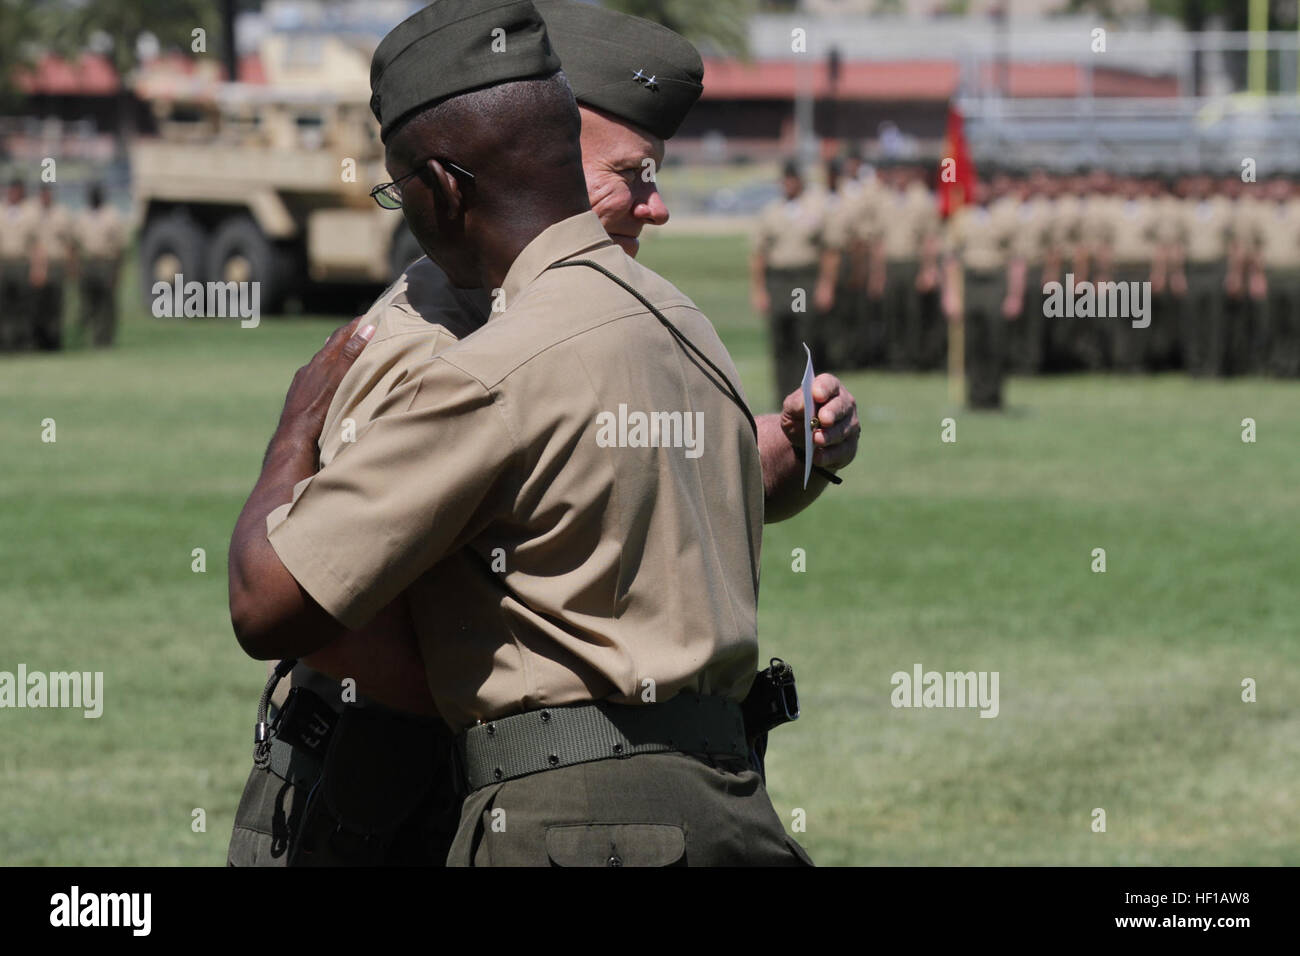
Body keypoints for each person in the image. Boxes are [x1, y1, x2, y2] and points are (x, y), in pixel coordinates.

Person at [228, 0, 859, 868]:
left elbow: (626, 510)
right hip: (391, 790)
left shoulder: (623, 323)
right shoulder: (427, 340)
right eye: (633, 174)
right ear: (554, 140)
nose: (657, 206)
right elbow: (343, 626)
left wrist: (793, 461)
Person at [751, 160, 842, 407]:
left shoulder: (815, 210)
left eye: (793, 179)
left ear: (800, 181)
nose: (789, 184)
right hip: (779, 280)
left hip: (803, 281)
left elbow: (830, 251)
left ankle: (806, 395)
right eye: (785, 179)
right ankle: (782, 396)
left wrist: (826, 285)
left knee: (804, 337)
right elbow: (759, 254)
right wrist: (759, 290)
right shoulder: (772, 211)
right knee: (781, 337)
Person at [943, 179, 1022, 409]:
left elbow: (1016, 259)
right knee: (973, 340)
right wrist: (951, 294)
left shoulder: (1005, 217)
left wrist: (1014, 295)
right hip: (970, 282)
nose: (982, 191)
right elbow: (951, 258)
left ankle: (994, 396)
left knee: (995, 339)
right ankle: (975, 396)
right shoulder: (962, 217)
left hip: (995, 281)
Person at [73, 183, 126, 348]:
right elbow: (75, 243)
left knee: (107, 305)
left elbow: (120, 246)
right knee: (89, 303)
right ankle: (88, 338)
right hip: (88, 262)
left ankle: (105, 339)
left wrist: (117, 270)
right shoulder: (83, 215)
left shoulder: (111, 215)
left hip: (106, 262)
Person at [28, 183, 73, 351]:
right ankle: (38, 341)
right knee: (37, 306)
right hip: (35, 265)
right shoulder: (31, 214)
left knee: (56, 305)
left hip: (56, 264)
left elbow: (70, 243)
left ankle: (54, 343)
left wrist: (70, 266)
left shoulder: (62, 214)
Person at [0, 178, 36, 351]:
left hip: (22, 264)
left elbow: (36, 244)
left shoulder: (30, 212)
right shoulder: (1, 210)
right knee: (5, 306)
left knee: (23, 306)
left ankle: (23, 344)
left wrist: (37, 267)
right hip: (4, 263)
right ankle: (6, 344)